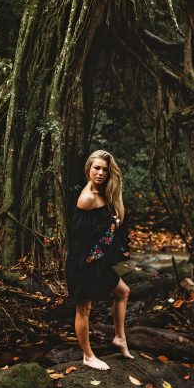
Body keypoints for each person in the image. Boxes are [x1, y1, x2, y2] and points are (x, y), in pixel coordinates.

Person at [66, 149, 132, 370]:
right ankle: (87, 355)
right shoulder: (87, 198)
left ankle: (120, 338)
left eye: (105, 169)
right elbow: (80, 238)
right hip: (82, 261)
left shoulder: (104, 193)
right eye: (97, 168)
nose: (101, 173)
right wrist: (109, 228)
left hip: (97, 258)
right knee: (83, 308)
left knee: (123, 292)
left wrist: (118, 191)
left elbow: (120, 220)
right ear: (88, 169)